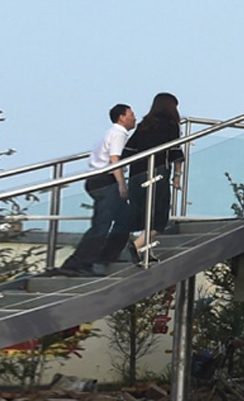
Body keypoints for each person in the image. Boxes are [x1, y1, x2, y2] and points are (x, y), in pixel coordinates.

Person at [57, 104, 137, 276]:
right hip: (105, 181)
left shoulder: (111, 133)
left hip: (97, 180)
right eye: (131, 114)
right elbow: (115, 159)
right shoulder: (119, 134)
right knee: (102, 225)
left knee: (124, 218)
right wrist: (122, 183)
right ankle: (79, 262)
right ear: (122, 117)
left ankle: (107, 255)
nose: (134, 118)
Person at [121, 92, 183, 260]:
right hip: (157, 173)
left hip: (137, 174)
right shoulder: (171, 124)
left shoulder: (144, 125)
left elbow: (128, 151)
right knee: (160, 215)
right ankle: (136, 245)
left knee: (143, 211)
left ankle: (148, 251)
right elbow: (175, 152)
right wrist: (177, 176)